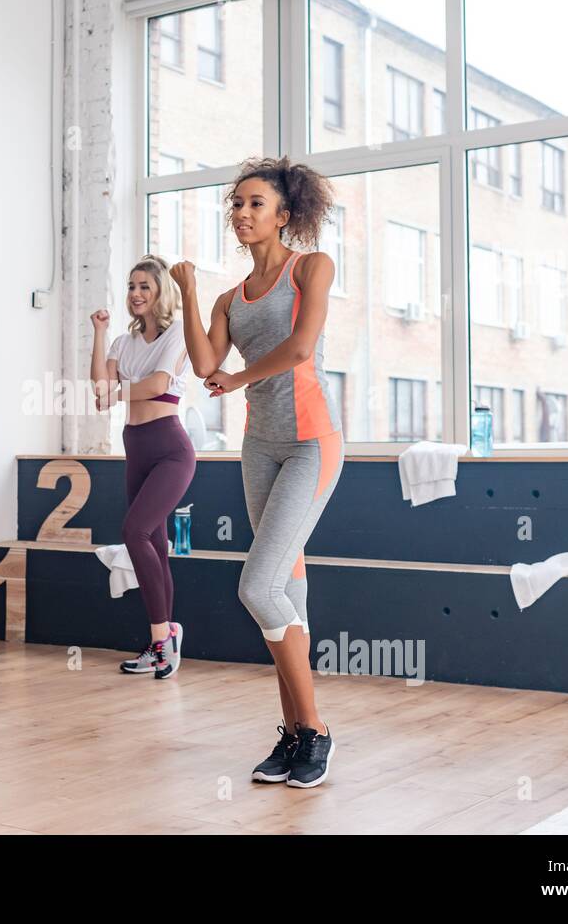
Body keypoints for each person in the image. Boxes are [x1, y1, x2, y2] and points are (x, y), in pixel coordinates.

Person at [172, 157, 344, 788]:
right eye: (236, 205)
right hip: (260, 447)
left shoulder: (312, 268)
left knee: (258, 586)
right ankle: (295, 736)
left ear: (285, 213)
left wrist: (238, 378)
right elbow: (203, 360)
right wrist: (188, 293)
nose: (242, 214)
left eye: (255, 204)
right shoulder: (228, 298)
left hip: (311, 446)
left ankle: (316, 730)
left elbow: (300, 347)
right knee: (285, 594)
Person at [90, 254, 196, 679]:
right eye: (131, 286)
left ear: (160, 293)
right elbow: (99, 387)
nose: (135, 294)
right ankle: (165, 634)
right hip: (135, 444)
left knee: (134, 531)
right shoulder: (121, 343)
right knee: (155, 544)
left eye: (144, 287)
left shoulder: (178, 335)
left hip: (171, 448)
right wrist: (98, 333)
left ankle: (161, 640)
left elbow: (156, 384)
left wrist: (114, 394)